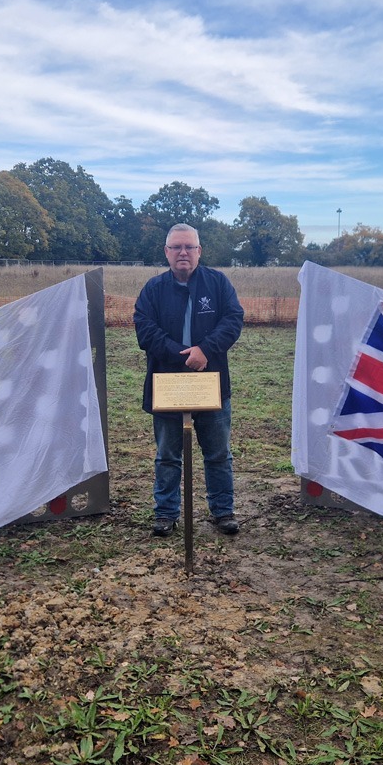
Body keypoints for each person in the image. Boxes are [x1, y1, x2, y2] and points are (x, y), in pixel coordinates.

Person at [134, 223, 245, 537]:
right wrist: (182, 353)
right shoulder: (152, 290)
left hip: (211, 383)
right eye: (176, 247)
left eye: (189, 247)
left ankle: (223, 511)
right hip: (168, 384)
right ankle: (165, 514)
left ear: (199, 251)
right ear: (167, 252)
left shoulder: (218, 284)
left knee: (218, 453)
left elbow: (233, 319)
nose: (183, 253)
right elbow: (145, 330)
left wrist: (205, 350)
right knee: (168, 455)